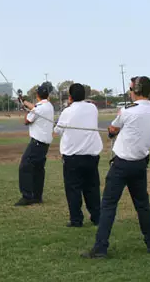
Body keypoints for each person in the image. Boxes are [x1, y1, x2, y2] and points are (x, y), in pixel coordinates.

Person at [81, 76, 150, 259]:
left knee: (108, 205)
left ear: (137, 91)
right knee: (142, 206)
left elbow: (113, 129)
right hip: (140, 164)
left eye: (131, 89)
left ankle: (100, 248)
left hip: (122, 165)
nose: (130, 92)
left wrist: (114, 131)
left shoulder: (127, 111)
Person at [54, 83, 103, 227]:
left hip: (73, 157)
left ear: (70, 97)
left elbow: (58, 131)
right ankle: (97, 217)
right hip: (91, 155)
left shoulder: (67, 112)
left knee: (73, 189)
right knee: (92, 188)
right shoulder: (92, 108)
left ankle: (76, 219)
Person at [15, 84, 55, 206]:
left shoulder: (38, 109)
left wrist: (26, 110)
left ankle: (27, 196)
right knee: (38, 169)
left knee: (25, 167)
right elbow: (36, 108)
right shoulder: (48, 106)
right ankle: (37, 196)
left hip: (36, 143)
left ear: (37, 95)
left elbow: (27, 121)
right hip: (44, 144)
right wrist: (25, 103)